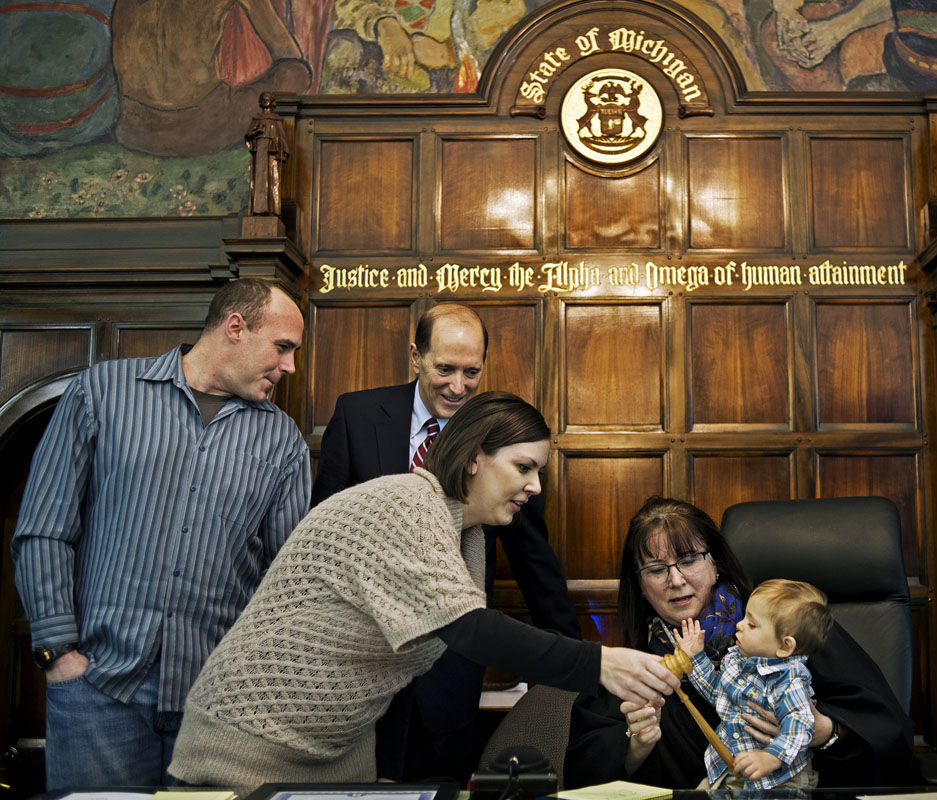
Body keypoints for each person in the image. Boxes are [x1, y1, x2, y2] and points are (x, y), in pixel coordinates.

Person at [167, 391, 679, 794]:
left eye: (538, 471)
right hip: (248, 750)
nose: (535, 487)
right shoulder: (408, 502)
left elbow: (391, 663)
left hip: (339, 757)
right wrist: (599, 662)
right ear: (476, 458)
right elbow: (470, 629)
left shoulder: (469, 535)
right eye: (524, 467)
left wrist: (386, 774)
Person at [12, 278, 311, 789]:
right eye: (282, 347)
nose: (289, 367)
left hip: (216, 710)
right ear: (235, 328)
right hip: (98, 695)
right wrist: (59, 654)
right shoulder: (101, 394)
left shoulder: (283, 440)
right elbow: (44, 529)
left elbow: (287, 581)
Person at [312, 301, 580, 784]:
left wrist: (580, 668)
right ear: (416, 357)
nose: (459, 387)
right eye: (445, 369)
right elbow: (323, 546)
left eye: (471, 372)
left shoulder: (503, 438)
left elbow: (535, 565)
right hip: (362, 674)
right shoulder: (356, 416)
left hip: (449, 679)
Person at [563, 496, 917, 790]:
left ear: (716, 563)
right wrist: (636, 747)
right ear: (639, 584)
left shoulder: (784, 624)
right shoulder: (633, 665)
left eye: (688, 561)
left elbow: (887, 727)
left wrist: (823, 731)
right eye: (656, 570)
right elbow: (583, 775)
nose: (676, 580)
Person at [677, 579, 833, 791]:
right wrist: (695, 658)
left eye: (751, 624)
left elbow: (800, 725)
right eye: (744, 618)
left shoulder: (788, 680)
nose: (739, 625)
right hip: (730, 768)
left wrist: (771, 757)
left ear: (785, 646)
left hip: (781, 779)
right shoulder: (738, 660)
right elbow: (718, 694)